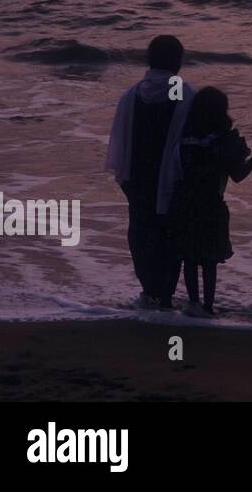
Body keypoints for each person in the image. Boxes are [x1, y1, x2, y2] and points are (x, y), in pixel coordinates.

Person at [104, 35, 195, 309]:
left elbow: (120, 139)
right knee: (170, 235)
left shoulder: (132, 94)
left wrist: (125, 177)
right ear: (178, 61)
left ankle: (148, 289)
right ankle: (165, 295)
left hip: (139, 175)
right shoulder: (186, 93)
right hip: (172, 177)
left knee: (141, 233)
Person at [171, 87, 252, 317]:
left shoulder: (185, 140)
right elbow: (238, 175)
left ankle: (192, 302)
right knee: (209, 260)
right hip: (212, 205)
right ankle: (208, 306)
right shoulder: (225, 142)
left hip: (185, 204)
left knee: (189, 258)